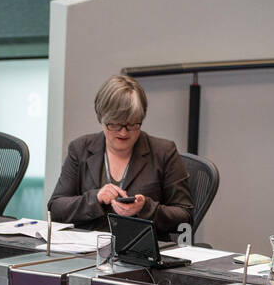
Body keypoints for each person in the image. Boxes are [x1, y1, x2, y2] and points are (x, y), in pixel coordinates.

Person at [48, 74, 193, 239]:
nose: (123, 132)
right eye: (115, 124)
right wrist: (95, 199)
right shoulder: (80, 149)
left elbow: (185, 216)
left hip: (142, 252)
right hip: (88, 251)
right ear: (101, 119)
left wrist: (145, 208)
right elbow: (56, 208)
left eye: (132, 124)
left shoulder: (164, 152)